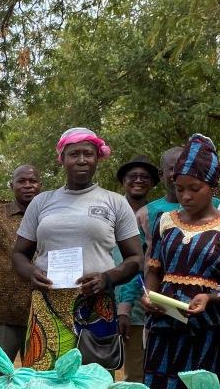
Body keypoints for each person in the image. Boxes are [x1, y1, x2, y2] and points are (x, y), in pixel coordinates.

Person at [12, 128, 142, 371]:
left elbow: (136, 258)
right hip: (48, 305)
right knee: (45, 380)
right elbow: (19, 253)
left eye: (88, 154)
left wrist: (107, 278)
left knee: (93, 382)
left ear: (98, 158)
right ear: (62, 159)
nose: (81, 160)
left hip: (96, 303)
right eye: (74, 154)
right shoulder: (42, 202)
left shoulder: (115, 202)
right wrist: (30, 273)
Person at [140, 135, 220, 389]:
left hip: (207, 329)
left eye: (194, 188)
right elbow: (154, 271)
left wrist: (210, 298)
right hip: (163, 325)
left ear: (213, 187)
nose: (185, 196)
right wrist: (147, 296)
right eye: (179, 189)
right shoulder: (165, 221)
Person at [0, 164, 41, 382]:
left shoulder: (50, 217)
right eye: (22, 181)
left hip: (42, 317)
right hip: (2, 315)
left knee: (38, 383)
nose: (28, 185)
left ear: (40, 185)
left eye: (33, 181)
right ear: (12, 185)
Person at [114, 155, 159, 383]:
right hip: (104, 302)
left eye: (145, 177)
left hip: (140, 311)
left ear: (152, 183)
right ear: (123, 180)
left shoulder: (157, 217)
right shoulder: (109, 210)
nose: (139, 180)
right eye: (133, 176)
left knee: (136, 375)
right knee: (99, 371)